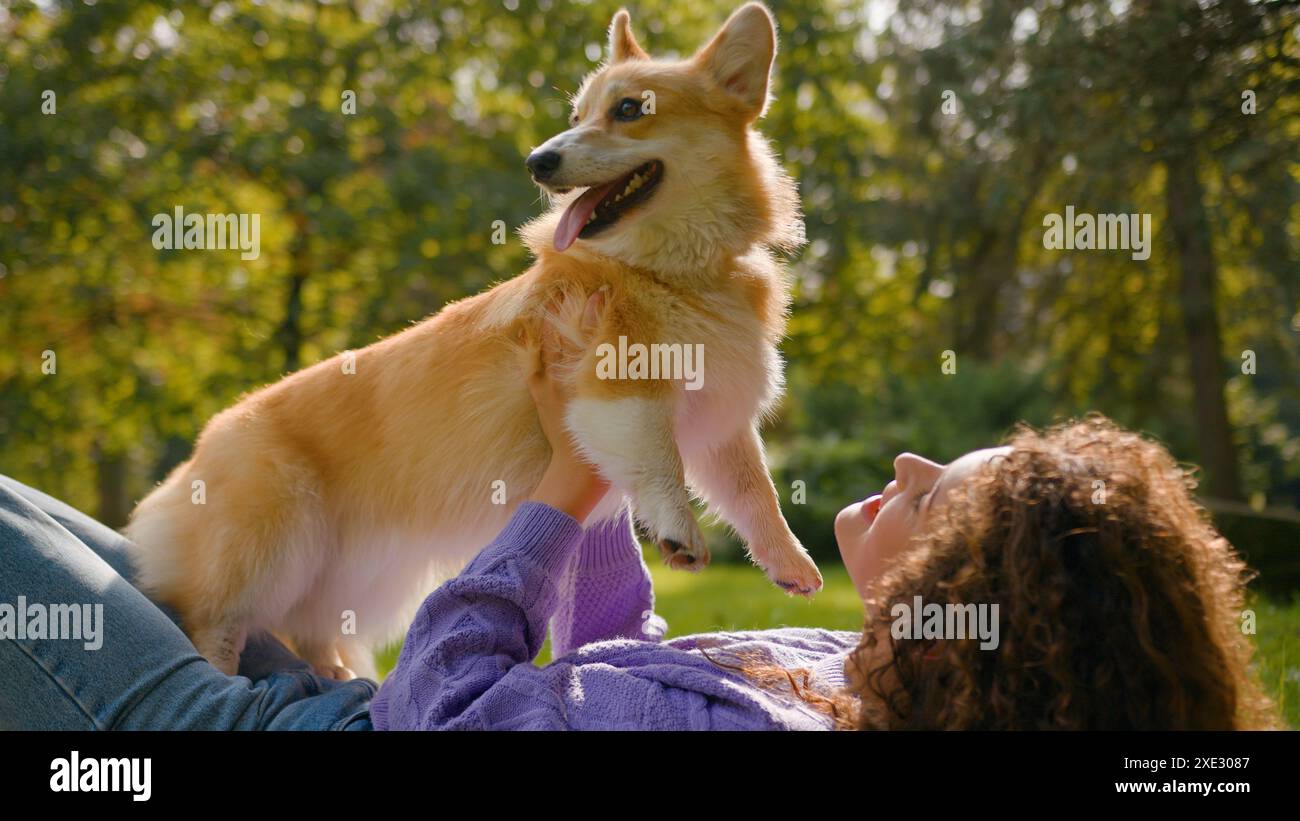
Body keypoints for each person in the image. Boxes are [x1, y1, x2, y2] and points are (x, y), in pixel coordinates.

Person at [0, 346, 1276, 729]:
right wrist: (611, 471)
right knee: (76, 554)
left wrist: (557, 488)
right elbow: (618, 651)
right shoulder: (844, 682)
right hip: (333, 697)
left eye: (940, 491)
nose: (907, 462)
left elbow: (448, 705)